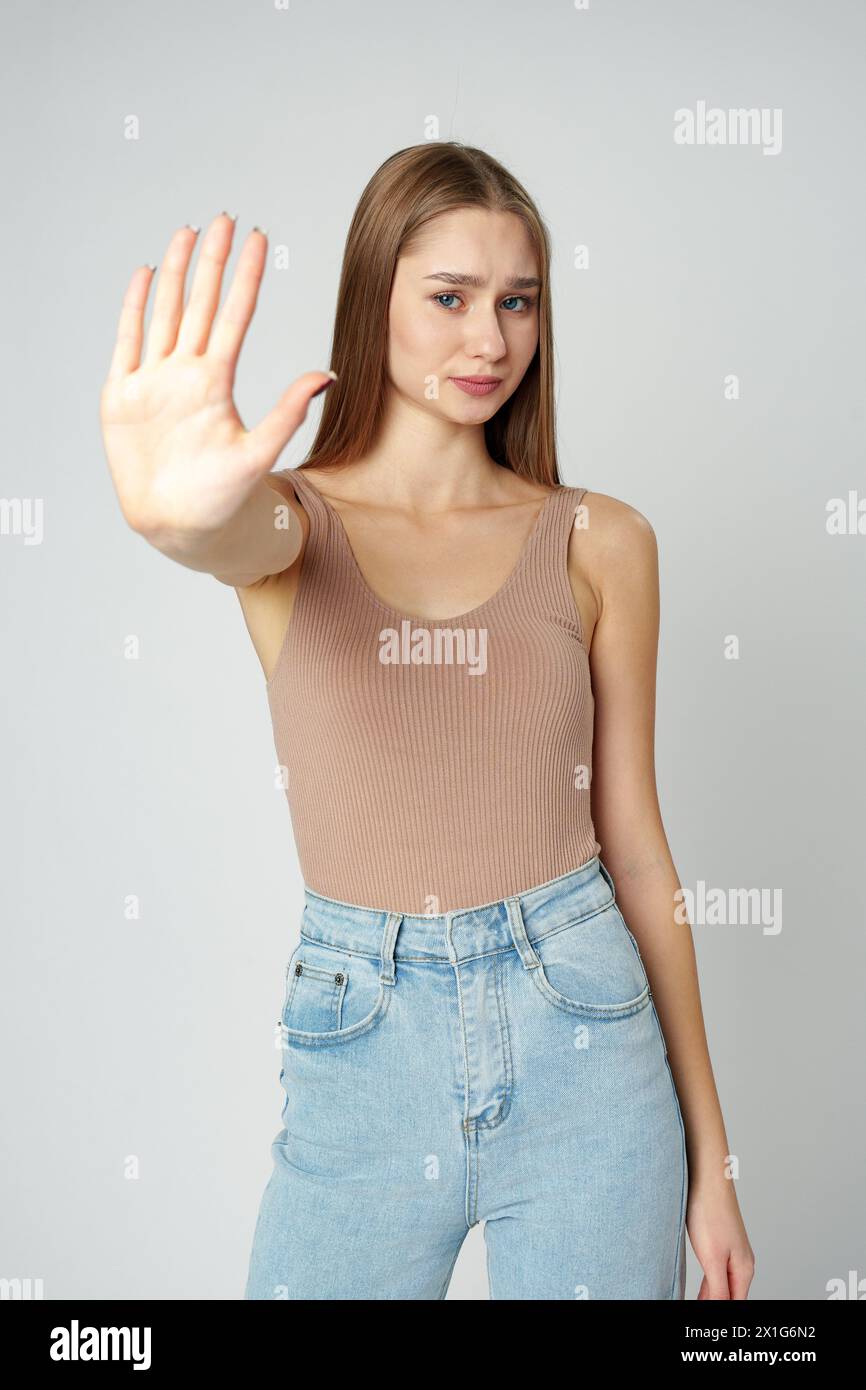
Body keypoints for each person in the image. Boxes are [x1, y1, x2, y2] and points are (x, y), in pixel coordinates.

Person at [100, 141, 755, 1301]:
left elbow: (641, 855)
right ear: (375, 301)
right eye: (447, 298)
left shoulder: (602, 539)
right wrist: (172, 518)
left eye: (517, 302)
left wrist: (714, 1162)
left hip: (585, 1032)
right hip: (364, 1044)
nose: (488, 340)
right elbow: (225, 537)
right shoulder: (290, 524)